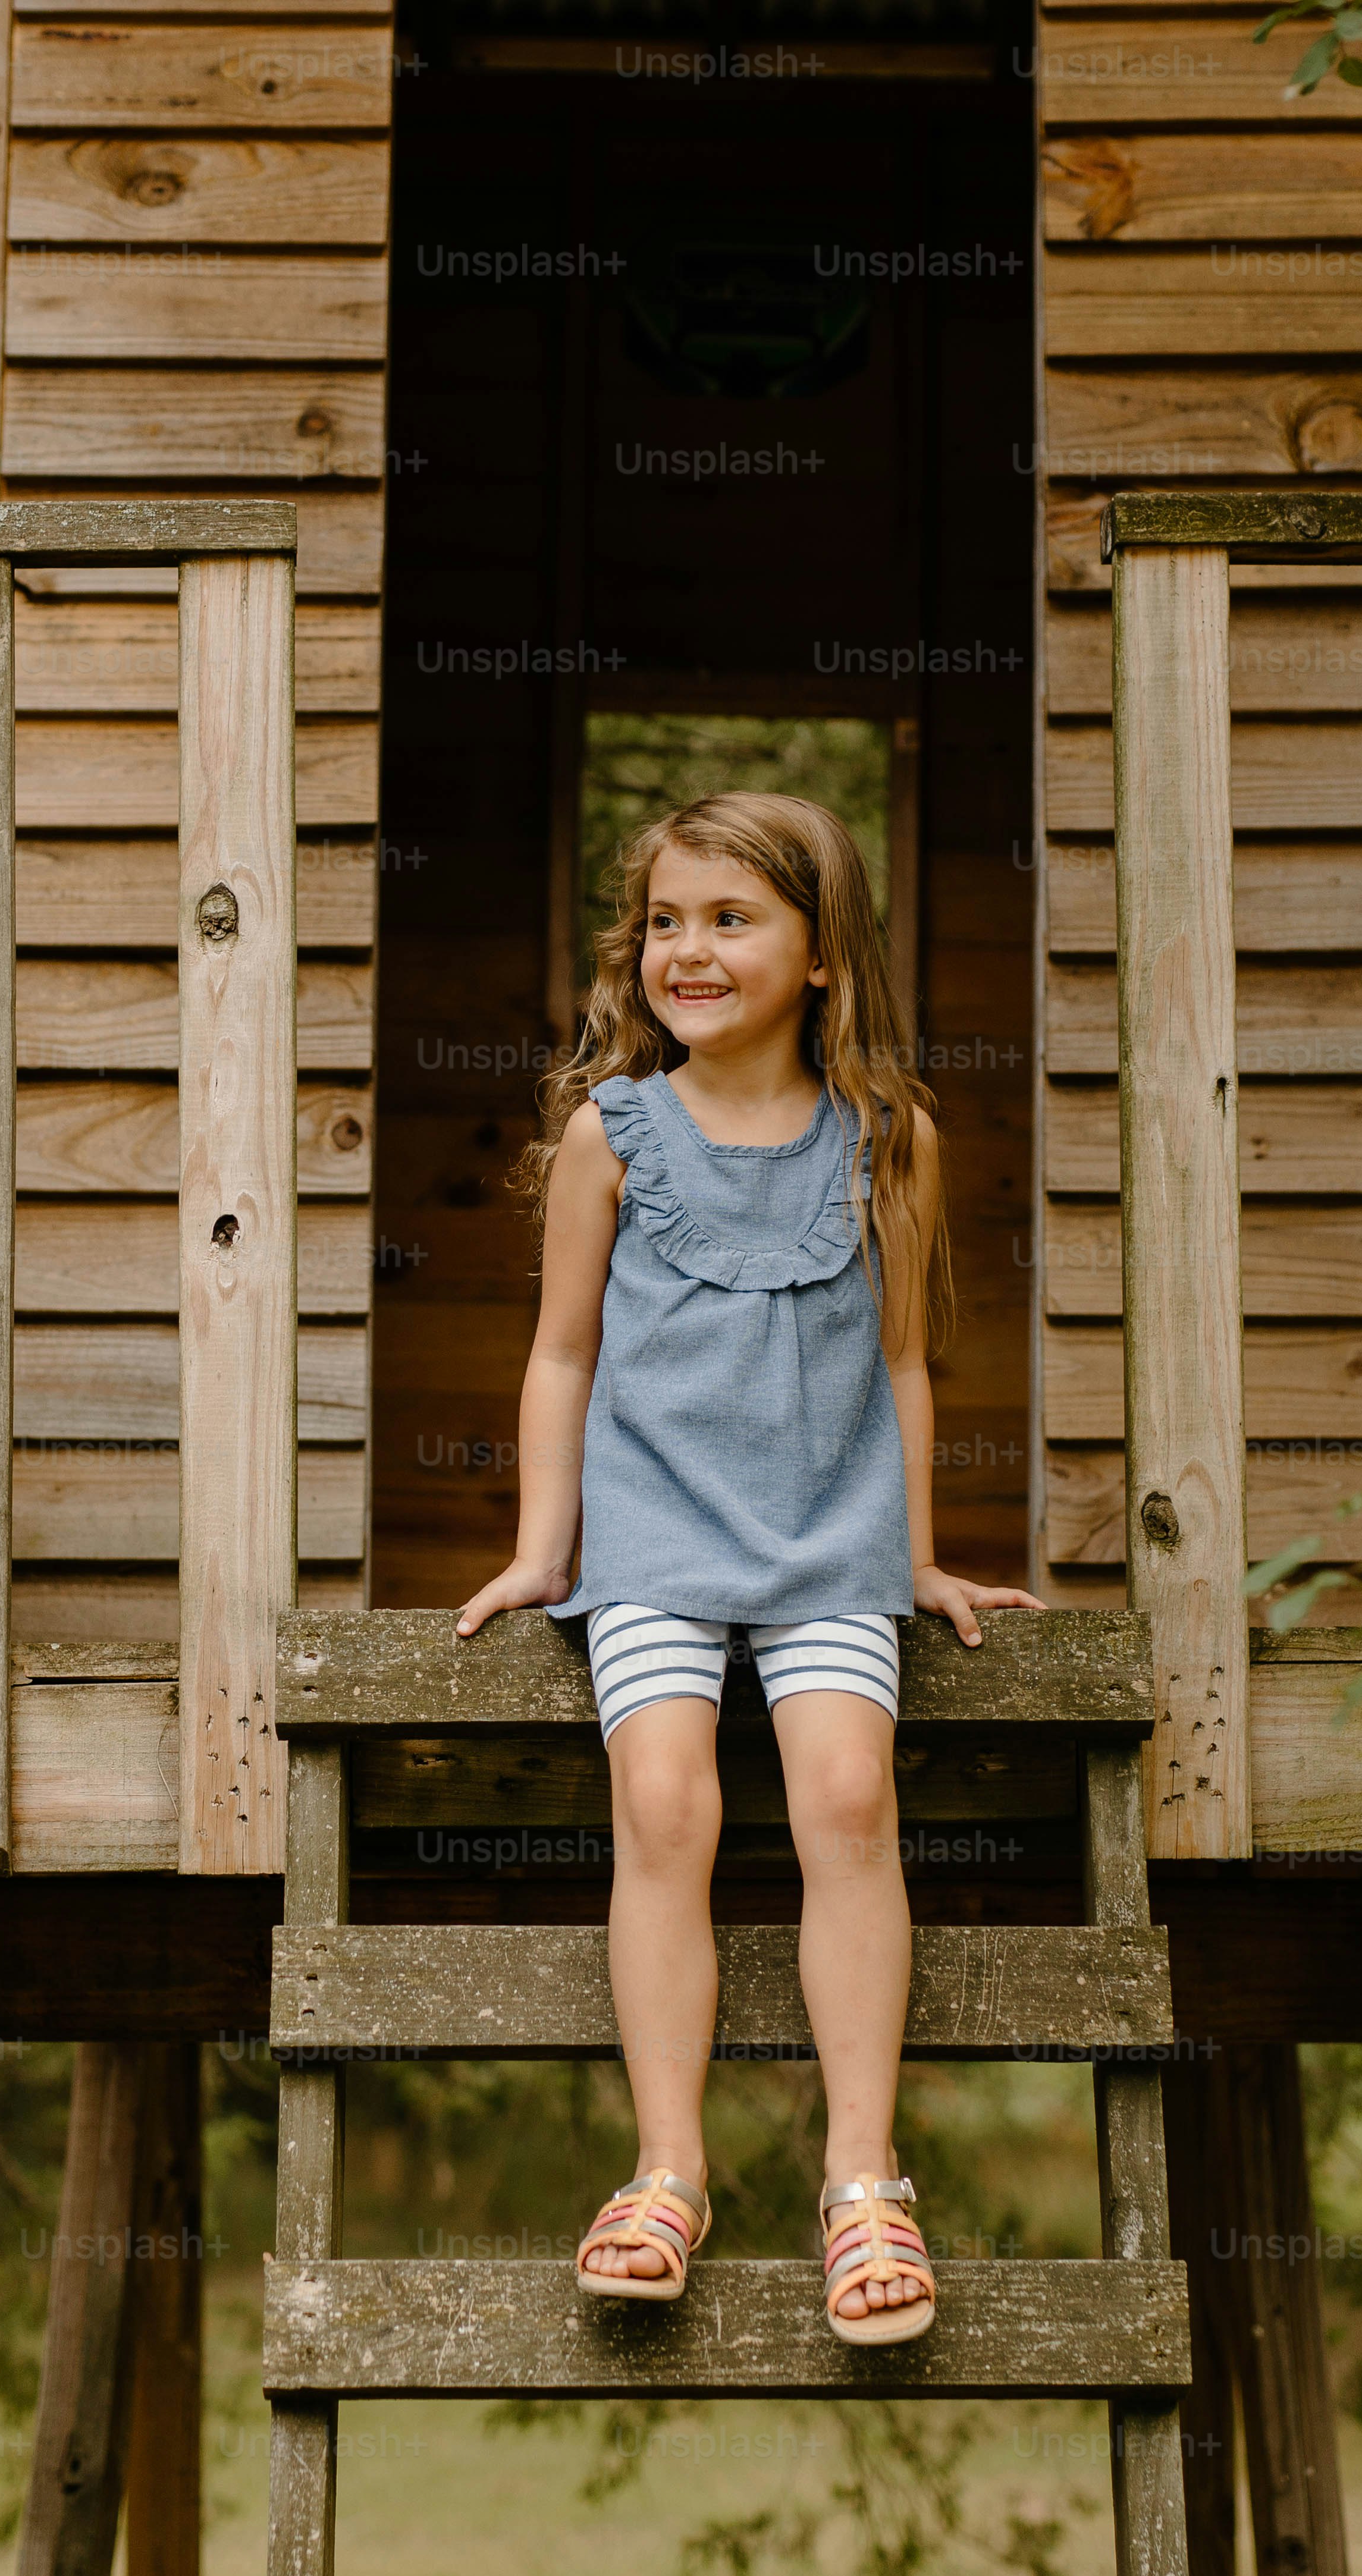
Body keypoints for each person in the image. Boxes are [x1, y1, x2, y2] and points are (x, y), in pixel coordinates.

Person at [452, 790, 1043, 2347]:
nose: (688, 951)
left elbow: (907, 1363)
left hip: (828, 1544)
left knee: (846, 1796)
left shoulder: (889, 1137)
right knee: (663, 1802)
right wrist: (539, 1551)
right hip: (650, 1540)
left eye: (731, 919)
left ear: (823, 955)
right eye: (665, 921)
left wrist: (911, 1555)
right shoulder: (613, 1133)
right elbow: (561, 1352)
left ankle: (862, 2181)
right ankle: (665, 2169)